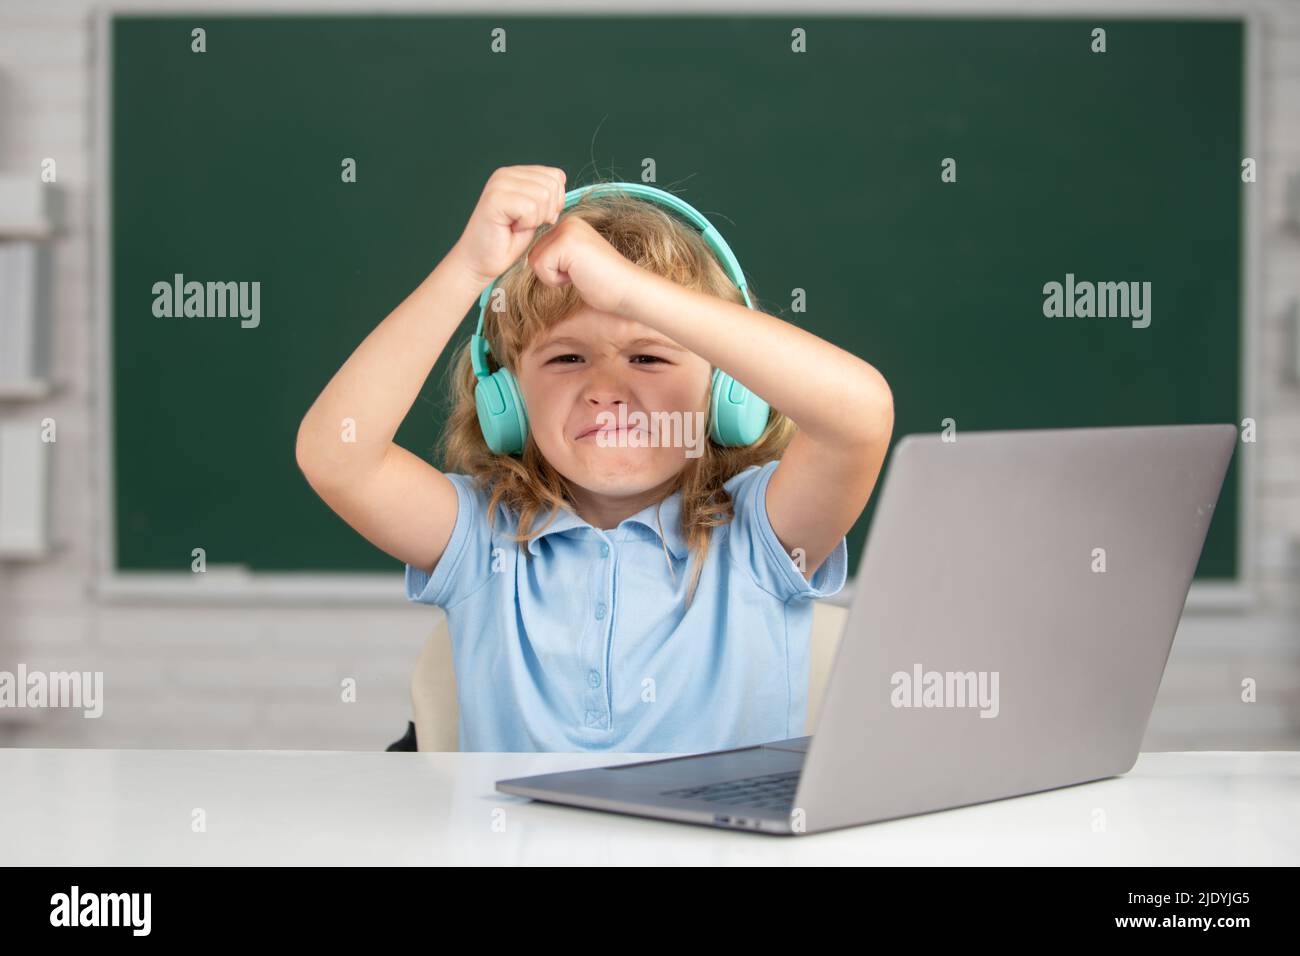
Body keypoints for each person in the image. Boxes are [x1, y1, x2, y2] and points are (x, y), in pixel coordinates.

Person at [296, 165, 894, 752]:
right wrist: (469, 268)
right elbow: (336, 456)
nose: (606, 390)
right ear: (508, 400)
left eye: (649, 359)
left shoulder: (762, 537)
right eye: (567, 359)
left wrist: (630, 290)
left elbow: (859, 417)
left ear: (725, 397)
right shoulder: (481, 540)